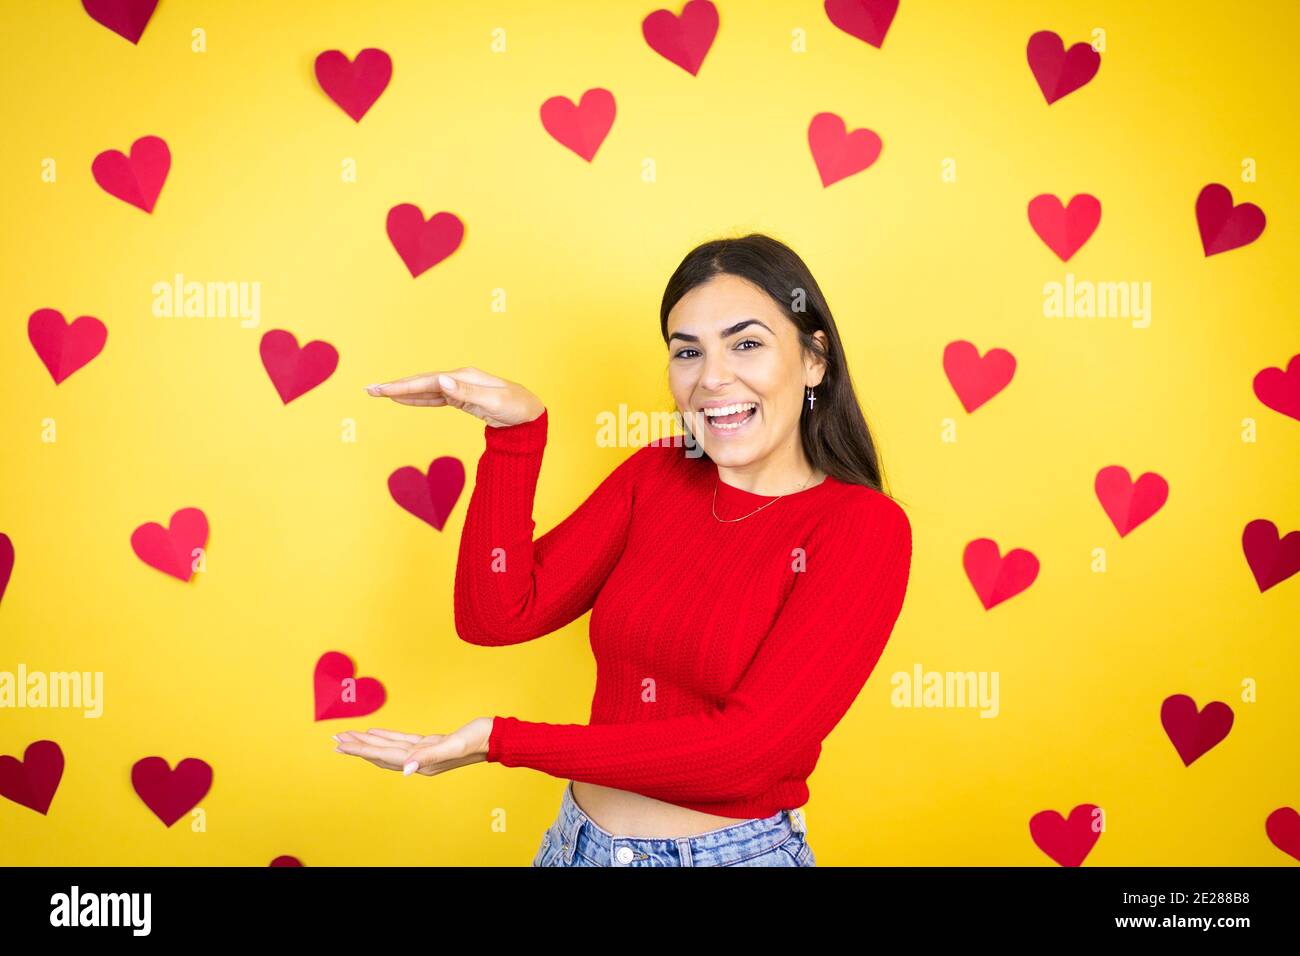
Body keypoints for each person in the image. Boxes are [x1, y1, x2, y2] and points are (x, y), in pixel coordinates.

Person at [336, 233, 912, 866]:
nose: (713, 378)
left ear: (813, 360)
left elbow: (744, 755)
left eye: (746, 343)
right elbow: (496, 614)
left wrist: (504, 741)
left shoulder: (861, 528)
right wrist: (515, 440)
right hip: (574, 845)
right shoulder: (661, 473)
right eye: (687, 352)